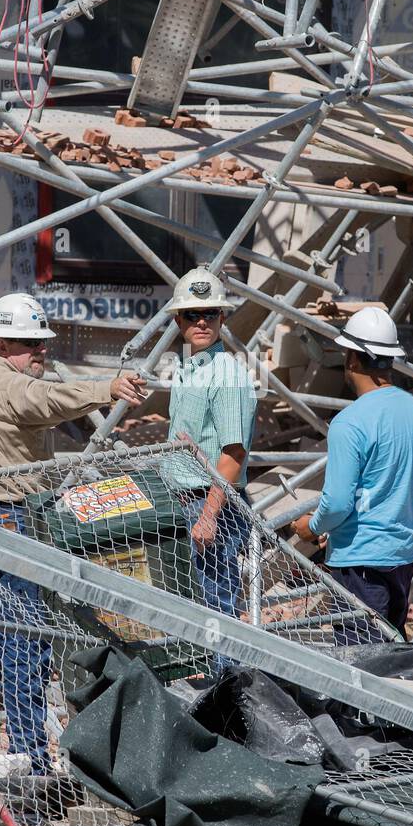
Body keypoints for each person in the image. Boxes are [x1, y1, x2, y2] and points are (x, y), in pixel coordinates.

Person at [0, 292, 146, 770]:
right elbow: (48, 400)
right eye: (26, 343)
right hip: (10, 521)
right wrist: (108, 388)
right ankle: (29, 756)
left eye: (41, 343)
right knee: (25, 641)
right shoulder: (8, 388)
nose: (39, 351)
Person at [291, 307, 413, 642]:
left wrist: (311, 527)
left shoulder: (350, 422)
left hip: (360, 563)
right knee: (391, 654)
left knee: (361, 661)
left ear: (353, 358)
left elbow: (339, 502)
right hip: (402, 557)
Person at [164, 267, 258, 634]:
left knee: (214, 609)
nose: (202, 322)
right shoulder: (189, 368)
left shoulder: (227, 374)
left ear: (222, 317)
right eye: (192, 315)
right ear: (178, 320)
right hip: (185, 500)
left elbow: (233, 454)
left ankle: (224, 686)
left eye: (211, 314)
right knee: (192, 607)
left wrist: (209, 515)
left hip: (209, 505)